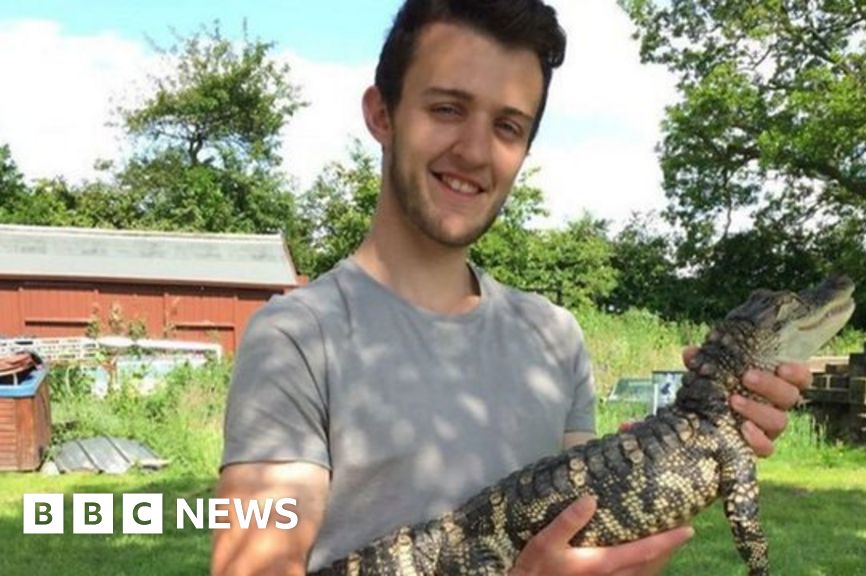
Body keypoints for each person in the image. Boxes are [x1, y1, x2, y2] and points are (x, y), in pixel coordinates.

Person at [210, 1, 812, 574]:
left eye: (507, 126)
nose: (475, 151)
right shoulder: (294, 338)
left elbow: (589, 537)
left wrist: (708, 435)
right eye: (447, 108)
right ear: (381, 114)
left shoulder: (554, 336)